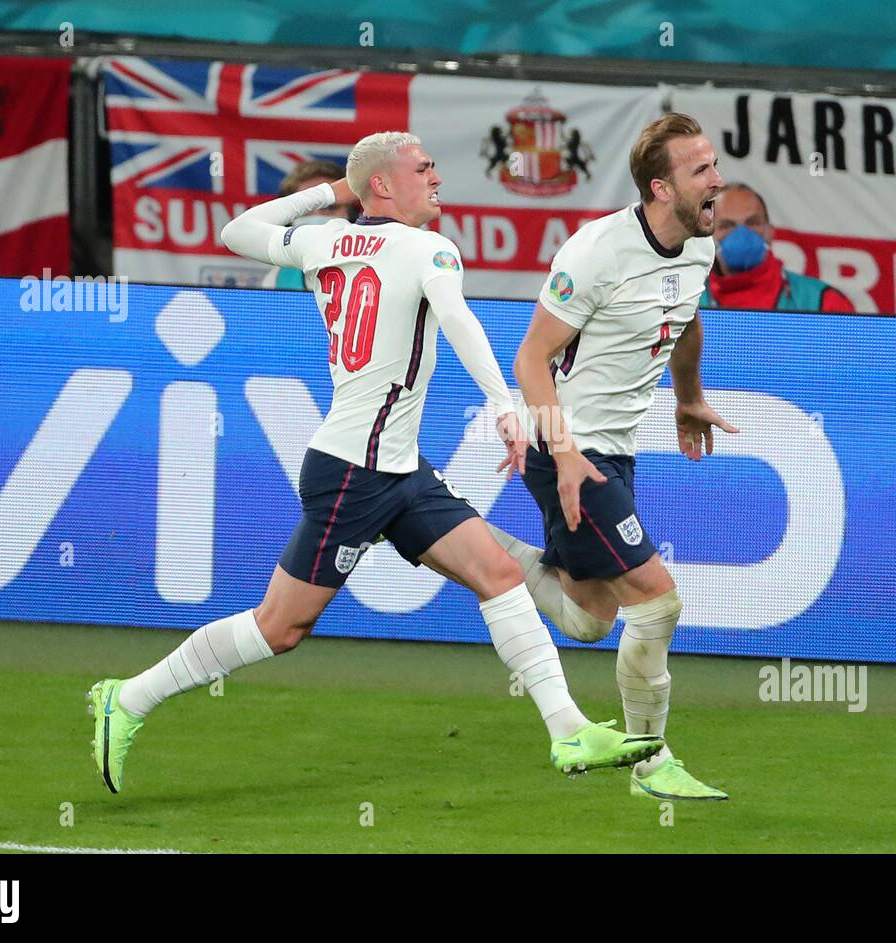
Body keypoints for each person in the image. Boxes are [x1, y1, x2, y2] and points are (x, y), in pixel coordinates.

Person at [88, 132, 663, 793]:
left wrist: (333, 193)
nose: (437, 177)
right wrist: (504, 403)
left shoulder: (321, 241)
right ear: (385, 187)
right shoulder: (428, 249)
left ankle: (567, 729)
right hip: (353, 475)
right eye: (423, 168)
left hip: (396, 467)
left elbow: (236, 230)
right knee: (281, 627)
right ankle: (127, 697)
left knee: (499, 573)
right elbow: (459, 320)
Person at [493, 113, 736, 801]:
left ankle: (459, 537)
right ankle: (651, 767)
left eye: (714, 164)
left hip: (615, 450)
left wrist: (688, 397)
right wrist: (566, 454)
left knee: (591, 617)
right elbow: (531, 358)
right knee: (658, 604)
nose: (717, 180)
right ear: (660, 187)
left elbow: (686, 318)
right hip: (569, 447)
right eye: (700, 171)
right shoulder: (594, 251)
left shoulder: (697, 245)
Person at [699, 183, 854, 313]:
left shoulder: (822, 302)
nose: (741, 234)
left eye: (752, 223)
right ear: (707, 237)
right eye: (726, 225)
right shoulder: (686, 305)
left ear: (770, 233)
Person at [259, 159, 351, 290]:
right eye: (305, 210)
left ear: (351, 213)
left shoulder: (375, 267)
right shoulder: (277, 279)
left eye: (329, 208)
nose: (317, 216)